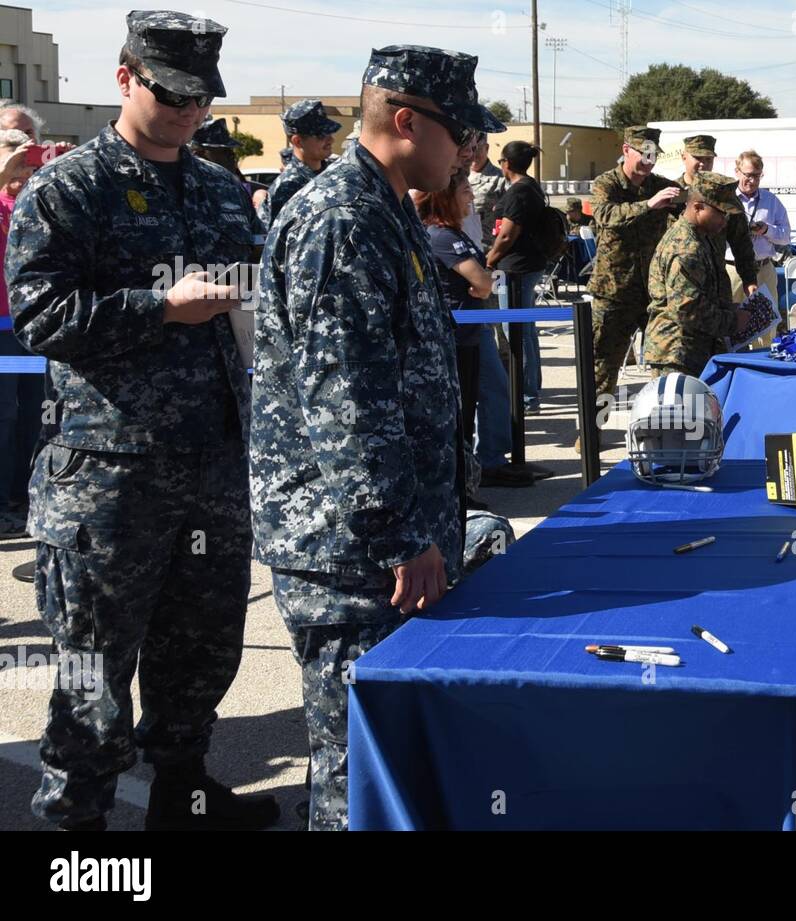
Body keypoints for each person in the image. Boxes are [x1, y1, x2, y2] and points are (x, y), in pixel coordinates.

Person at [5, 10, 277, 832]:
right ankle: (77, 828)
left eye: (203, 97)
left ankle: (184, 798)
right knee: (92, 668)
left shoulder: (222, 190)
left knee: (199, 653)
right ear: (125, 76)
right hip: (108, 473)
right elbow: (40, 312)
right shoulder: (68, 188)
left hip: (213, 463)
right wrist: (160, 306)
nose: (191, 110)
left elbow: (255, 300)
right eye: (173, 93)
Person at [251, 44, 505, 831]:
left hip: (382, 543)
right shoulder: (343, 216)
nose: (468, 150)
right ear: (405, 122)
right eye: (459, 132)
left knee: (388, 751)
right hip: (351, 552)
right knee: (356, 768)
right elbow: (347, 400)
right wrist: (399, 536)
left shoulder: (384, 206)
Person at [418, 174, 531, 490]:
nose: (471, 198)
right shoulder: (442, 236)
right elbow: (483, 282)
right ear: (445, 196)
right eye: (465, 191)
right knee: (464, 410)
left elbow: (486, 279)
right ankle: (470, 479)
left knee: (486, 395)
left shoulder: (455, 234)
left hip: (471, 330)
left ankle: (481, 468)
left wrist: (484, 282)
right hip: (458, 335)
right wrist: (483, 282)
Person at [587, 126, 682, 418]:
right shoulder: (606, 183)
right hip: (614, 291)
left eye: (654, 156)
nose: (649, 162)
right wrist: (649, 205)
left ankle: (664, 427)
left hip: (653, 291)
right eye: (644, 154)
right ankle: (593, 429)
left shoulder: (661, 185)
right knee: (603, 365)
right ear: (627, 150)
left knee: (666, 361)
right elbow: (605, 216)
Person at [644, 172, 752, 378]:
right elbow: (687, 309)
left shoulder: (701, 237)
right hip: (679, 356)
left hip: (695, 350)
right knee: (682, 411)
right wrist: (733, 321)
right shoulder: (686, 248)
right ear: (698, 207)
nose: (725, 221)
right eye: (721, 213)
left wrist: (729, 309)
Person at [485, 139, 547, 415]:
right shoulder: (531, 186)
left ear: (506, 164)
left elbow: (507, 234)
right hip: (524, 267)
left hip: (514, 270)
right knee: (526, 331)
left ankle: (525, 395)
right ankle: (531, 390)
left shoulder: (519, 192)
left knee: (517, 333)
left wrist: (490, 259)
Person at [0, 127, 38, 540]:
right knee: (3, 417)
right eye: (11, 146)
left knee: (33, 414)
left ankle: (19, 497)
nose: (21, 156)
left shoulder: (27, 201)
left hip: (25, 328)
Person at [673, 134, 757, 299]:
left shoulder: (723, 194)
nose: (703, 164)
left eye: (709, 159)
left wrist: (749, 279)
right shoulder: (670, 193)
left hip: (715, 285)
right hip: (678, 286)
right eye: (697, 158)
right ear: (684, 157)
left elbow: (741, 243)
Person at [257, 98, 341, 227]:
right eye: (321, 135)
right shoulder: (287, 187)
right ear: (298, 141)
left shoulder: (335, 174)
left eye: (329, 133)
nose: (331, 140)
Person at [728, 150, 789, 308]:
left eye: (757, 175)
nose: (753, 180)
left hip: (763, 269)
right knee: (730, 322)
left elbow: (786, 236)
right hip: (733, 271)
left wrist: (767, 230)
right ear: (737, 172)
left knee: (767, 326)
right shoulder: (727, 199)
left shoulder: (771, 200)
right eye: (748, 175)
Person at [468, 133, 508, 250]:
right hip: (462, 243)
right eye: (470, 149)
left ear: (486, 148)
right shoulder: (457, 175)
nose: (473, 155)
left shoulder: (500, 178)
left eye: (477, 149)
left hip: (487, 246)